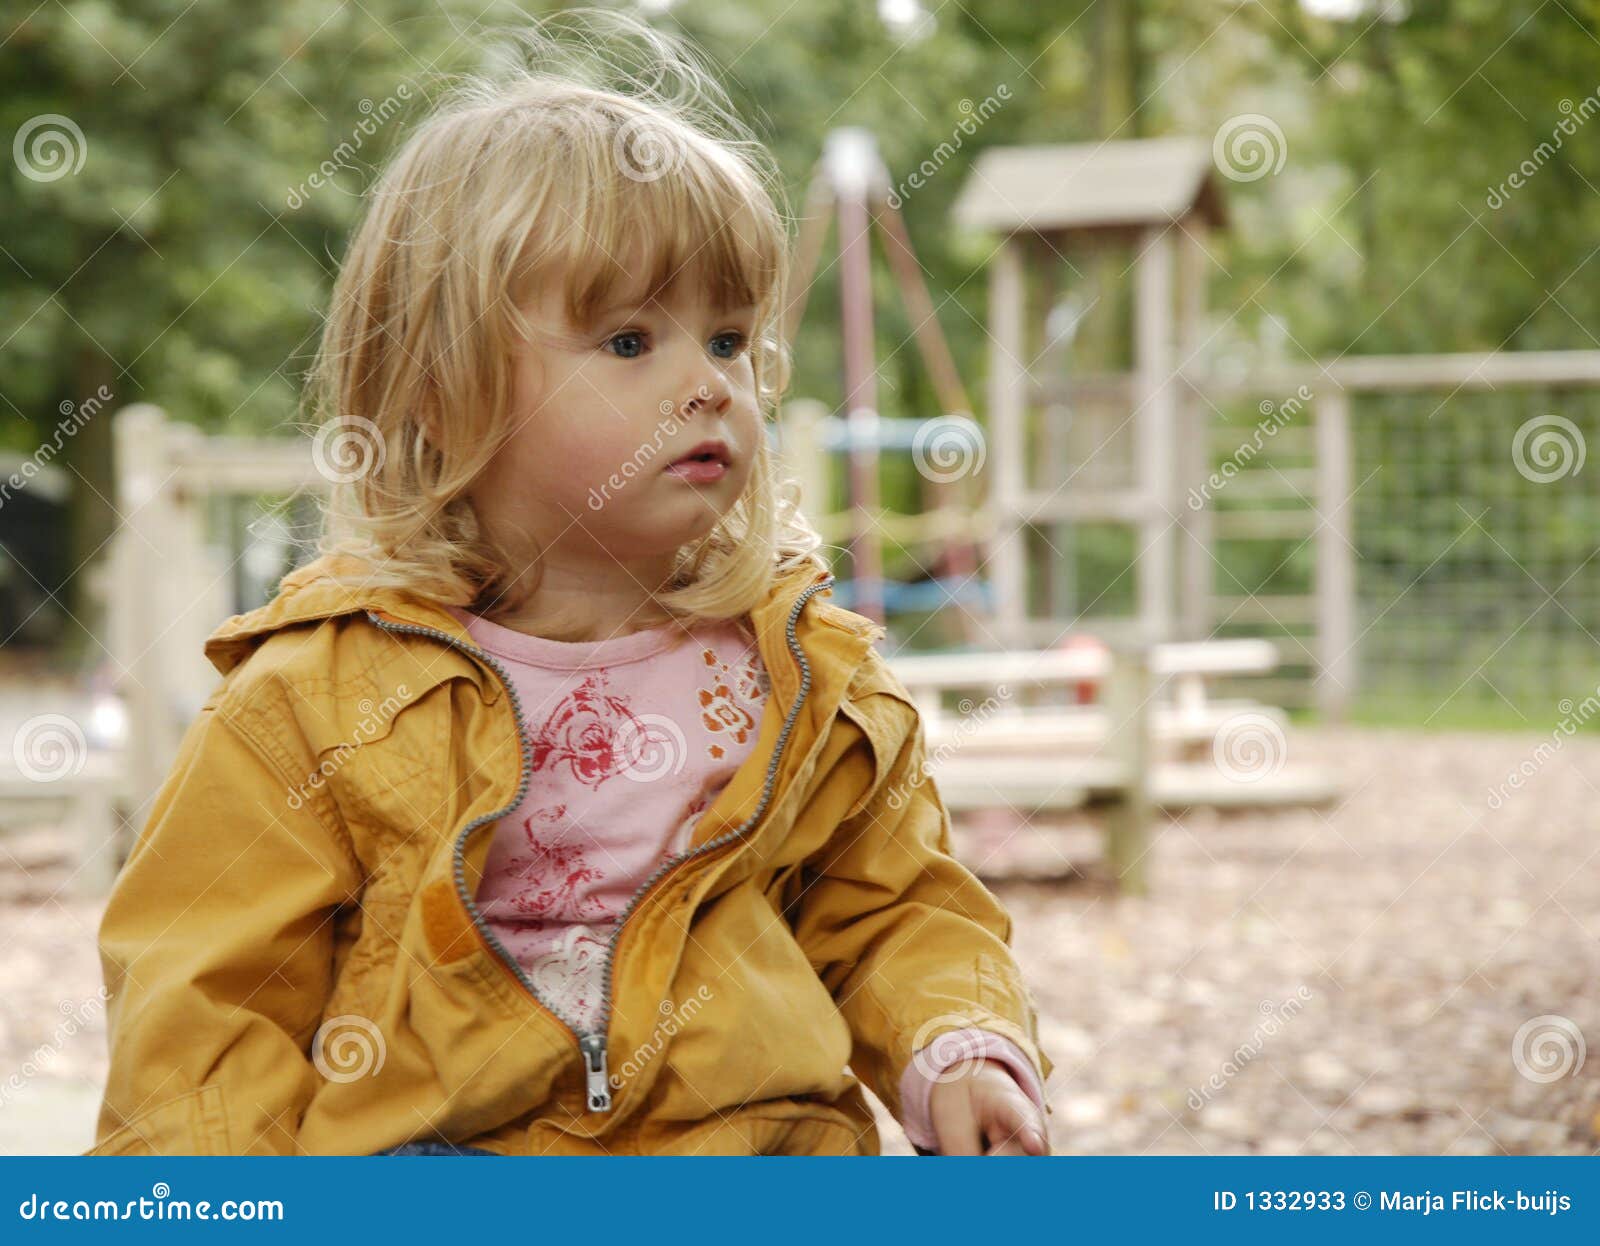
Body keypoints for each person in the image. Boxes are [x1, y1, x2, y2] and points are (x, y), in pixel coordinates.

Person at [85, 9, 1053, 1158]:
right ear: (443, 394)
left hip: (747, 1153)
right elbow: (208, 994)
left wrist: (957, 1045)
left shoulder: (800, 673)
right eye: (630, 342)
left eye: (729, 339)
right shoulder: (317, 699)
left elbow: (894, 907)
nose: (710, 384)